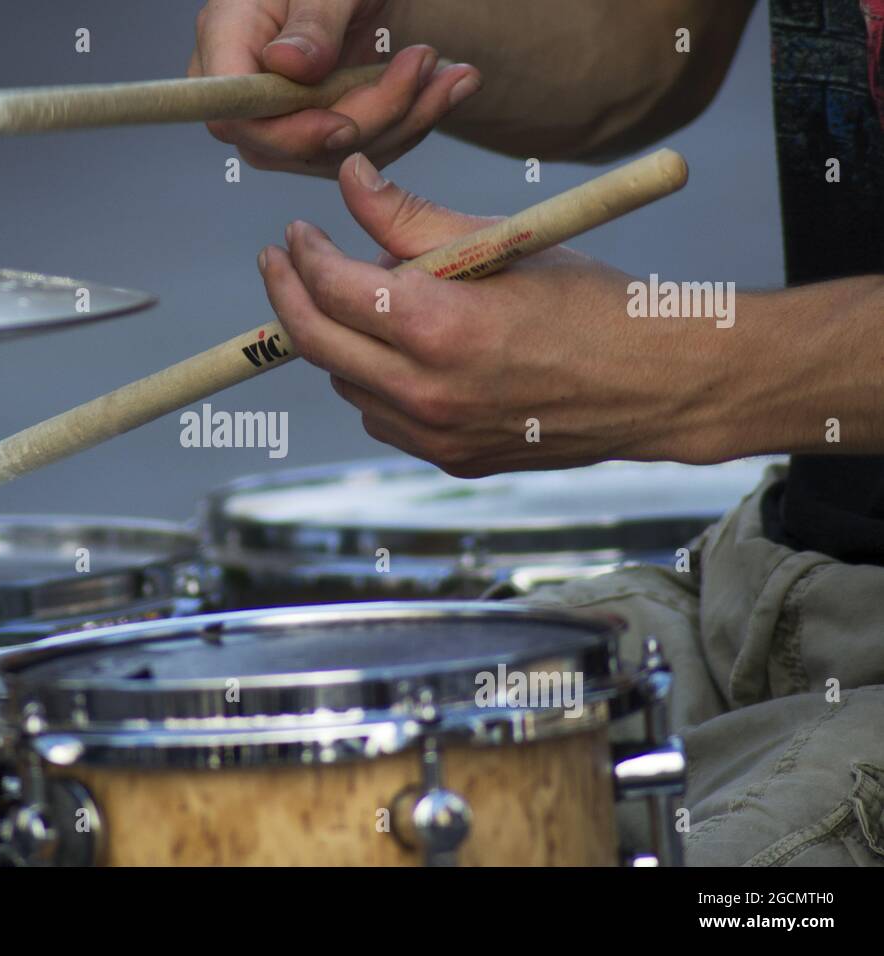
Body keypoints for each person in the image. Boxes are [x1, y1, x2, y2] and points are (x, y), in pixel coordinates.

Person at [191, 0, 884, 866]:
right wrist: (375, 22)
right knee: (264, 800)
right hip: (777, 583)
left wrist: (681, 368)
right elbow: (648, 48)